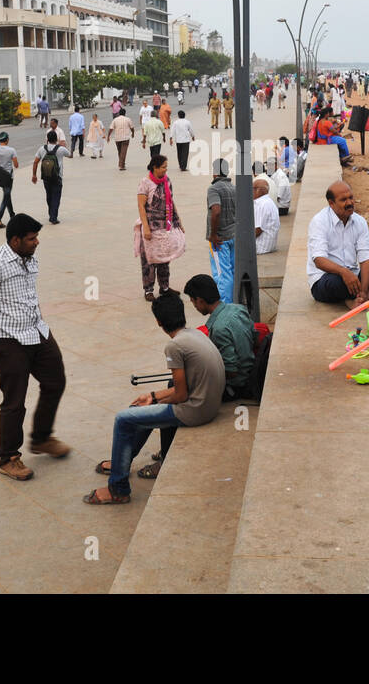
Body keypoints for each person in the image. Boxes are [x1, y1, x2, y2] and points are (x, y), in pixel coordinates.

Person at [85, 292, 224, 504]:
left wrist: (156, 400)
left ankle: (118, 489)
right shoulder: (194, 334)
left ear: (158, 321)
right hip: (208, 403)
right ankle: (121, 462)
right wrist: (151, 396)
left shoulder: (174, 346)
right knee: (142, 412)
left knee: (124, 419)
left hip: (196, 410)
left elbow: (181, 394)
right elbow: (180, 387)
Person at [0, 213, 71, 482]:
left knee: (55, 382)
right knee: (15, 402)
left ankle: (42, 438)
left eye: (37, 238)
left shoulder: (28, 257)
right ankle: (9, 458)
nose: (37, 243)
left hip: (37, 331)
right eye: (32, 239)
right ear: (15, 240)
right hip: (8, 339)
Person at [307, 181, 369, 308]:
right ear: (331, 203)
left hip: (354, 277)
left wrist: (363, 291)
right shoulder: (319, 222)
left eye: (351, 198)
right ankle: (356, 298)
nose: (349, 203)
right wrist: (343, 272)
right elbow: (319, 260)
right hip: (326, 280)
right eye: (343, 200)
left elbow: (365, 258)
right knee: (335, 283)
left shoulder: (360, 221)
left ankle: (365, 299)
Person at [184, 273, 255, 402]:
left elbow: (231, 371)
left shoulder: (219, 329)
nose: (194, 305)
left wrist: (203, 374)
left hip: (237, 385)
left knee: (178, 385)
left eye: (193, 301)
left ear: (200, 300)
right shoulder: (239, 309)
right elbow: (254, 337)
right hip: (251, 370)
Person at [136, 154, 184, 301]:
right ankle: (148, 290)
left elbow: (171, 201)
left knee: (164, 258)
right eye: (163, 167)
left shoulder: (167, 181)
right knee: (149, 260)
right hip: (151, 226)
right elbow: (141, 207)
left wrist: (178, 220)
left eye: (166, 167)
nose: (165, 170)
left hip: (165, 226)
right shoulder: (145, 183)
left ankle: (164, 287)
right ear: (155, 167)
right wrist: (146, 228)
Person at [207, 159, 237, 302]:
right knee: (232, 271)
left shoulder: (214, 189)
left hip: (220, 240)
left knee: (222, 274)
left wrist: (213, 235)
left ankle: (225, 305)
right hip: (233, 236)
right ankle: (234, 300)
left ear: (214, 173)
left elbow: (216, 211)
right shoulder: (233, 188)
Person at [33, 130, 72, 225]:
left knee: (49, 196)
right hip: (57, 177)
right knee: (56, 197)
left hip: (46, 177)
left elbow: (35, 162)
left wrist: (34, 175)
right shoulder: (61, 149)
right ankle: (53, 217)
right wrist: (63, 145)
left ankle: (51, 214)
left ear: (47, 139)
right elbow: (70, 155)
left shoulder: (42, 148)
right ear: (56, 139)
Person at [0, 133, 19, 228]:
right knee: (6, 196)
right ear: (7, 140)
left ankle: (12, 215)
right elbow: (16, 165)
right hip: (8, 177)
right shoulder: (11, 150)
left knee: (7, 195)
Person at [253, 177, 281, 255]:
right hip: (269, 244)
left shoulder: (260, 204)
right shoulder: (268, 201)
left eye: (252, 189)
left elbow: (257, 230)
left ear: (257, 190)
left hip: (261, 246)